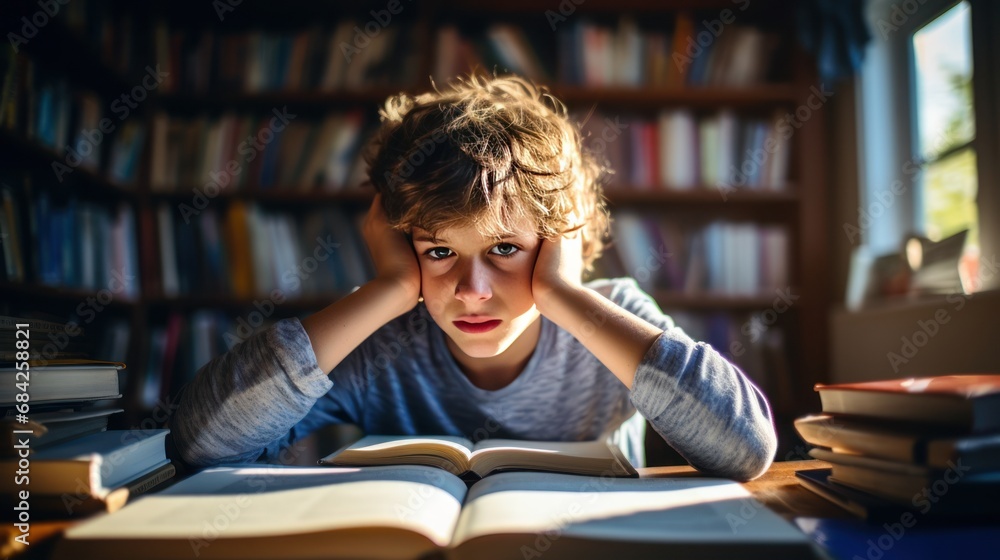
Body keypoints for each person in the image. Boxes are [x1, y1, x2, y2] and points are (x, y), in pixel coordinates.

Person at [168, 75, 777, 481]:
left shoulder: (612, 318)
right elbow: (201, 444)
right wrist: (388, 291)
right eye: (437, 253)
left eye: (506, 247)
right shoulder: (380, 341)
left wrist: (563, 297)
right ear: (400, 251)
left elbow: (746, 448)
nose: (472, 290)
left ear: (562, 244)